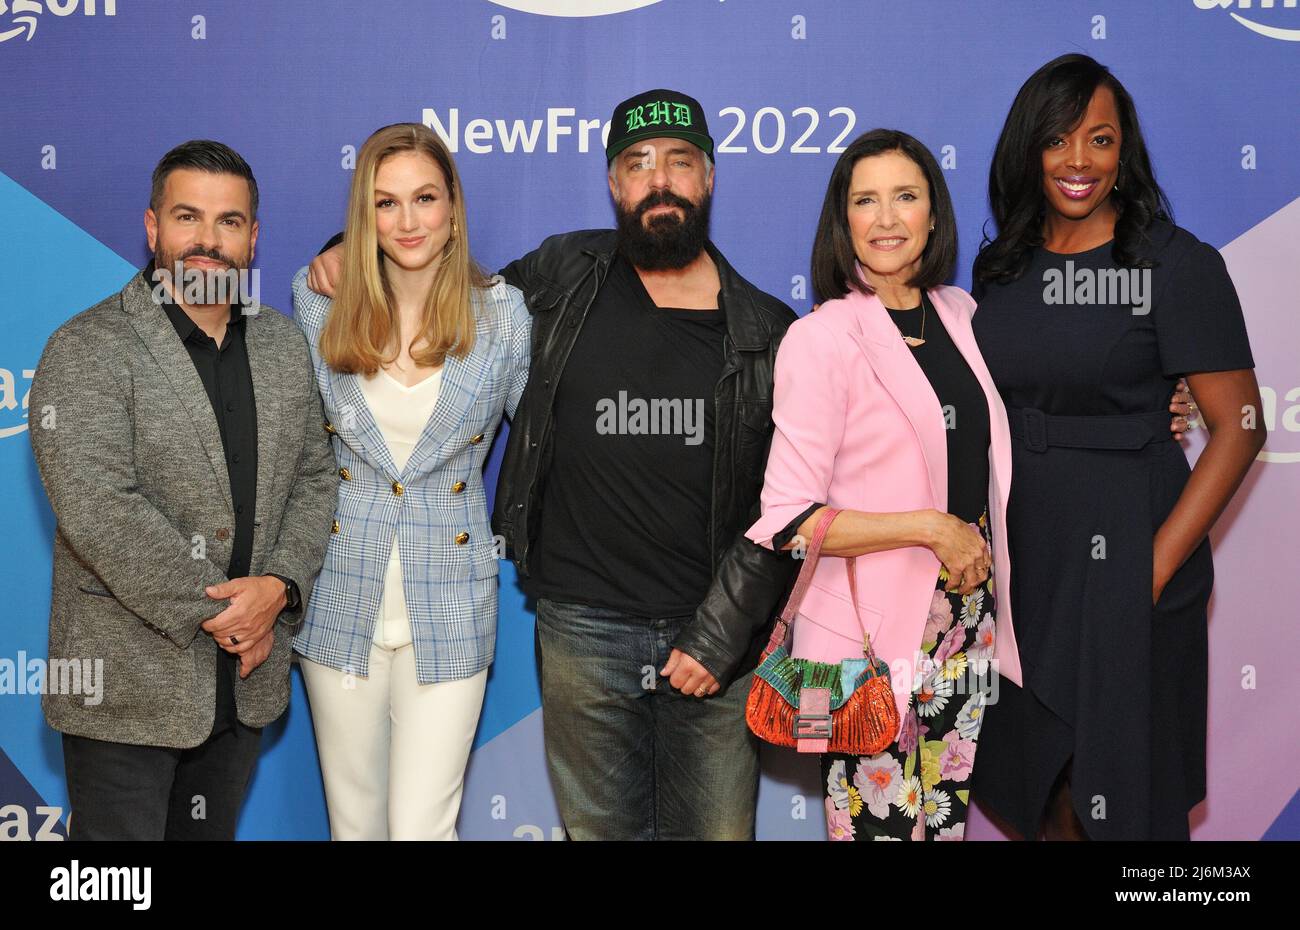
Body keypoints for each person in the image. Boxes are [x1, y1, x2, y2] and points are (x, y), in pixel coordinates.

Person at [309, 89, 800, 840]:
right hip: (582, 630)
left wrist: (720, 637)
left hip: (712, 639)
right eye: (636, 164)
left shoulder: (769, 330)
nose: (657, 180)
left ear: (708, 178)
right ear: (613, 182)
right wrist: (347, 248)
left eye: (678, 162)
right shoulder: (561, 274)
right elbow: (436, 286)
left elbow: (787, 509)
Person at [969, 54, 1264, 841]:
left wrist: (1156, 564)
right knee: (1044, 786)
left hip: (1129, 548)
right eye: (1057, 140)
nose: (1077, 162)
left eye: (1099, 140)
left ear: (1123, 150)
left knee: (1126, 791)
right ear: (1028, 149)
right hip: (1024, 558)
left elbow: (1239, 427)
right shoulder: (1001, 268)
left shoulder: (1177, 265)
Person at [28, 140, 337, 840]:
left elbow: (315, 478)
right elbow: (100, 508)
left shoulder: (284, 347)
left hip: (244, 690)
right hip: (127, 687)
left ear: (253, 238)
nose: (207, 241)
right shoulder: (89, 348)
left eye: (229, 222)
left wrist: (281, 588)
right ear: (152, 227)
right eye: (187, 217)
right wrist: (234, 614)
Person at [746, 129, 1020, 841]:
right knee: (874, 828)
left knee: (944, 820)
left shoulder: (963, 316)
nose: (888, 218)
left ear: (935, 213)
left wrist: (1163, 408)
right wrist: (930, 527)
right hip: (858, 642)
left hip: (966, 620)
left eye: (906, 196)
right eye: (866, 201)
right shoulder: (822, 338)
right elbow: (790, 518)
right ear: (844, 222)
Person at [291, 123, 531, 840]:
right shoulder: (317, 305)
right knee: (355, 825)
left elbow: (548, 441)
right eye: (385, 203)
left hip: (452, 599)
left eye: (424, 198)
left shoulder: (504, 317)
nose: (407, 221)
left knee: (425, 829)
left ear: (454, 208)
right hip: (341, 595)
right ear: (365, 216)